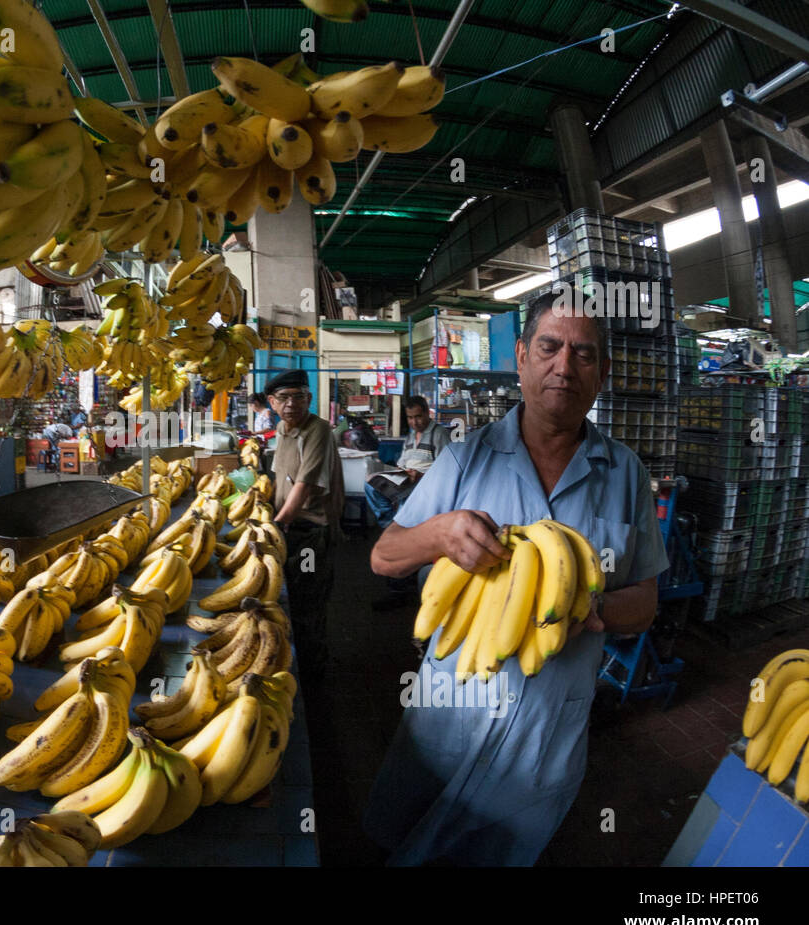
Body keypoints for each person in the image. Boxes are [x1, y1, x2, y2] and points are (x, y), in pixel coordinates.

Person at [363, 291, 668, 866]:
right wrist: (438, 535)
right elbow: (384, 558)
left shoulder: (626, 473)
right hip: (449, 710)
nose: (564, 366)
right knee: (402, 840)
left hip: (547, 732)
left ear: (602, 373)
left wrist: (588, 610)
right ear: (523, 357)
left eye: (584, 355)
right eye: (550, 347)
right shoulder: (463, 460)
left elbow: (646, 605)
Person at [265, 369, 344, 680]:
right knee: (292, 594)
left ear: (309, 399)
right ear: (272, 403)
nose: (291, 404)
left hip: (311, 533)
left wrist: (276, 523)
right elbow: (279, 478)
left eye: (299, 397)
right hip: (291, 530)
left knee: (310, 594)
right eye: (283, 398)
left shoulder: (318, 430)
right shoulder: (283, 431)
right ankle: (300, 660)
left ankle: (315, 670)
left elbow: (304, 486)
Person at [365, 395, 452, 532]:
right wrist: (392, 471)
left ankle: (399, 527)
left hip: (425, 484)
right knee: (371, 485)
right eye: (410, 418)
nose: (414, 422)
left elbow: (446, 469)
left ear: (427, 413)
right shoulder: (411, 437)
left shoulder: (439, 434)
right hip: (407, 479)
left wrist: (420, 475)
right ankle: (389, 524)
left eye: (418, 417)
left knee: (405, 504)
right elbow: (402, 464)